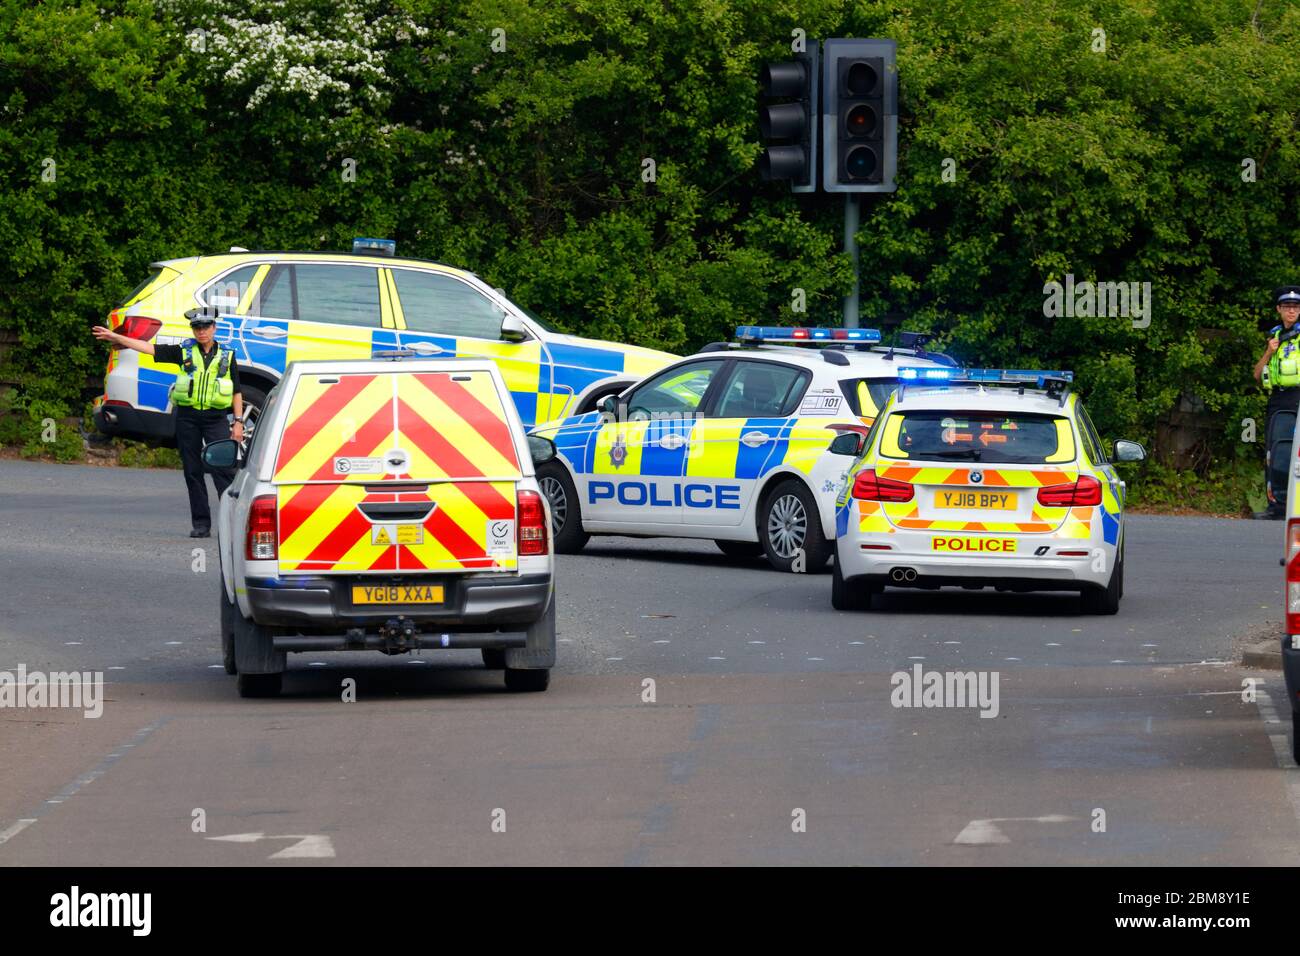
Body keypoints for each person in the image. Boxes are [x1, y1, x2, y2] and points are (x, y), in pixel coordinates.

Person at [92, 308, 244, 536]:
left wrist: (239, 422)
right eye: (197, 328)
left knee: (223, 469)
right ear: (193, 330)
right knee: (192, 471)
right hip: (187, 418)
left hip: (216, 419)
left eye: (205, 327)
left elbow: (237, 391)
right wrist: (117, 338)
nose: (201, 332)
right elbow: (148, 348)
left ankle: (233, 524)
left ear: (214, 328)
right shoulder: (183, 351)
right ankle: (201, 525)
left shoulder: (227, 355)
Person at [1253, 286, 1300, 518]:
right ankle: (1277, 506)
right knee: (1276, 451)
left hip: (1298, 397)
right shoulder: (1274, 336)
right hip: (1278, 399)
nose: (1292, 311)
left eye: (1296, 307)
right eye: (1287, 307)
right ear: (1279, 309)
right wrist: (1269, 352)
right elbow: (1257, 375)